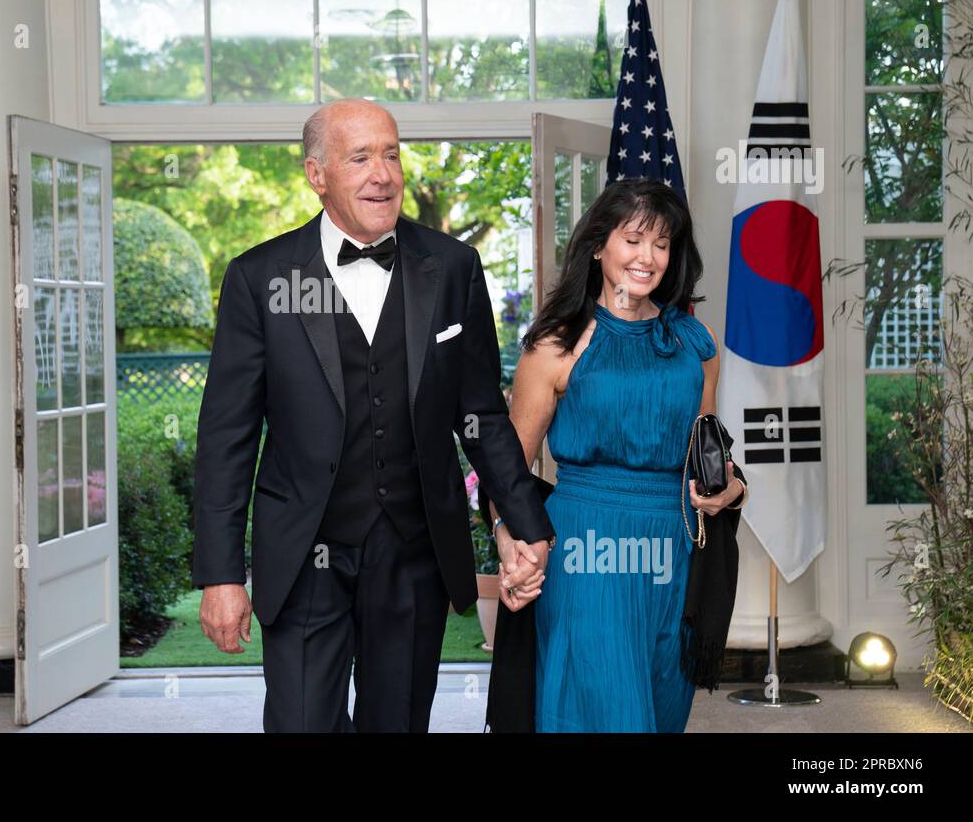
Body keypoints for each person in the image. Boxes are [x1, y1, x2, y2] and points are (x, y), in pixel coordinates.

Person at [191, 98, 554, 732]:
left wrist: (525, 524)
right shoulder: (259, 277)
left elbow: (481, 417)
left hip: (413, 552)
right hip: (304, 554)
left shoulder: (454, 269)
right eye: (359, 157)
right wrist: (221, 575)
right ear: (317, 174)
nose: (381, 173)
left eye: (390, 153)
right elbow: (227, 438)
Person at [484, 178, 748, 732]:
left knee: (660, 709)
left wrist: (730, 487)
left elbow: (707, 453)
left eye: (661, 243)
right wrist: (508, 539)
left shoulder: (695, 345)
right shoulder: (555, 345)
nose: (647, 257)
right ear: (600, 245)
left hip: (676, 552)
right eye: (633, 239)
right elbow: (506, 471)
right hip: (587, 552)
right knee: (609, 714)